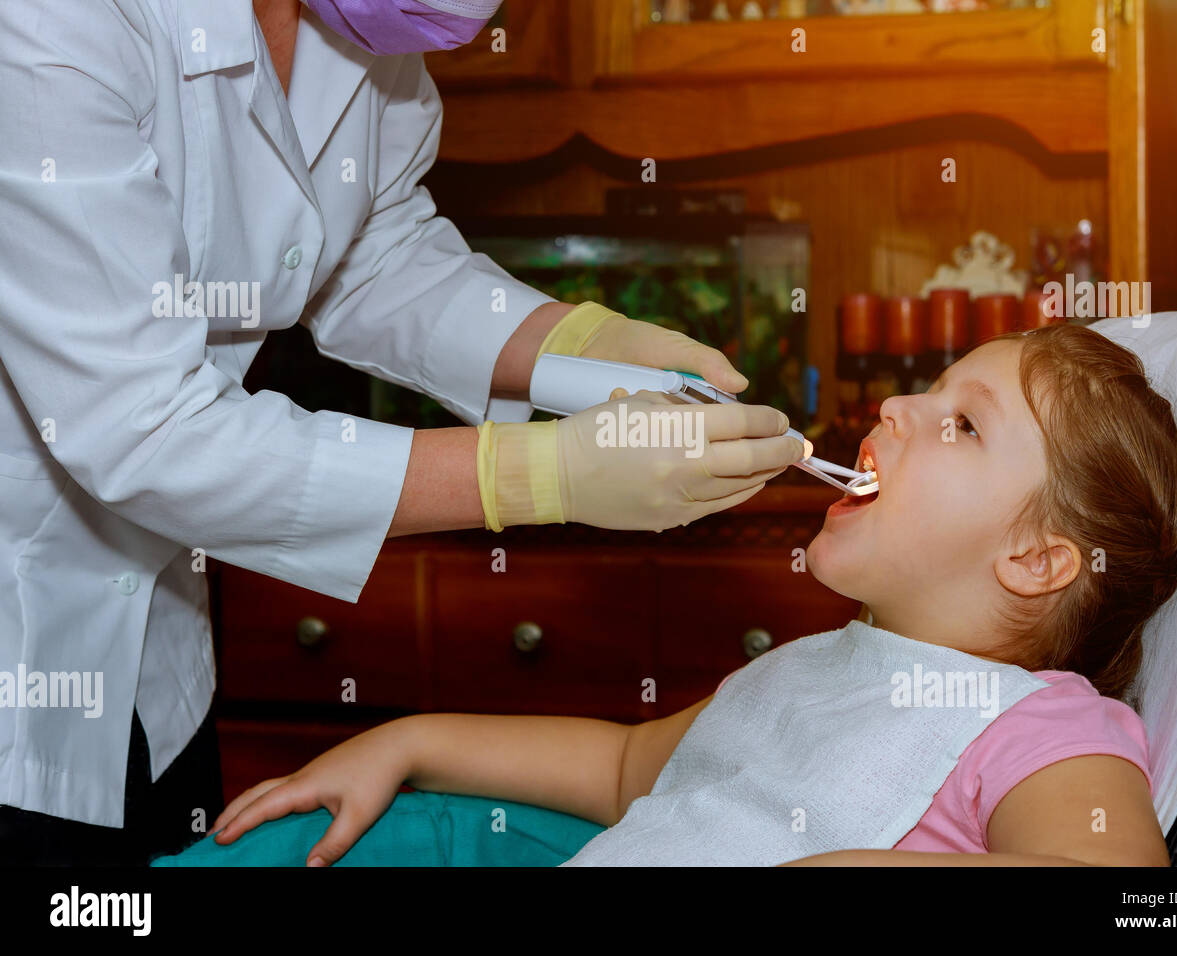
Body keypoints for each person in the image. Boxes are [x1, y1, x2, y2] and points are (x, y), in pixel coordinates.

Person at [0, 0, 803, 864]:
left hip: (154, 645)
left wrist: (577, 346)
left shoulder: (364, 27)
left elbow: (374, 252)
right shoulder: (52, 26)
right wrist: (535, 477)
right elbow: (148, 429)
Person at [157, 323, 1177, 867]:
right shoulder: (815, 663)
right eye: (925, 391)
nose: (896, 403)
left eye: (962, 424)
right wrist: (409, 739)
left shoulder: (1047, 724)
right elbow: (623, 767)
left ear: (1036, 559)